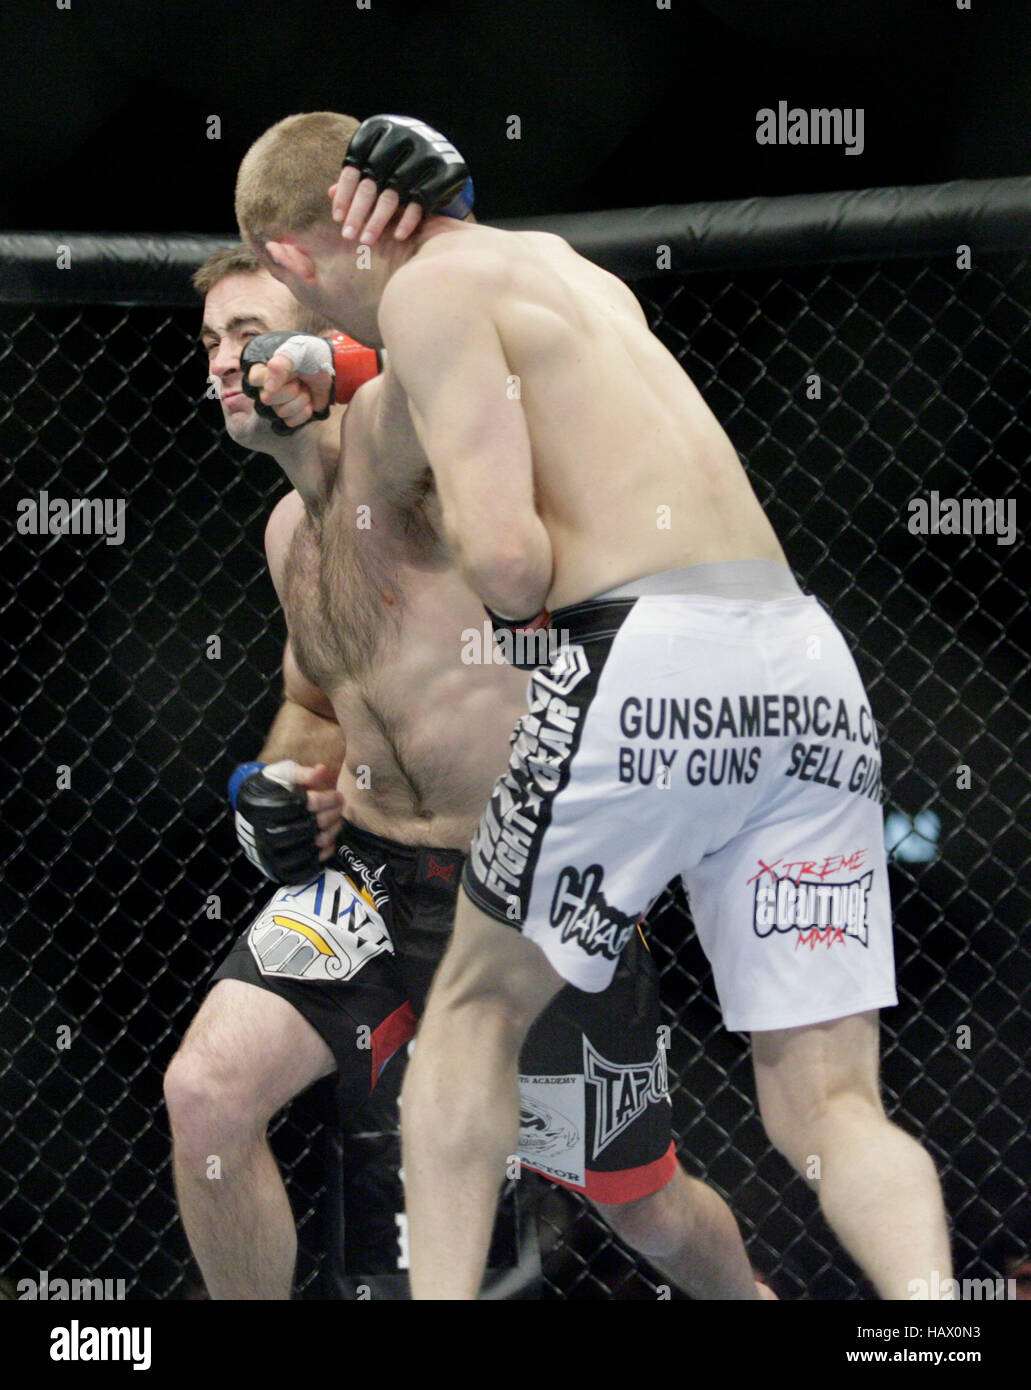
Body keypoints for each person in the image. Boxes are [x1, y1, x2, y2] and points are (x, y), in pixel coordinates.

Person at [234, 110, 954, 1300]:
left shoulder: (422, 299)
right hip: (802, 660)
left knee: (465, 1013)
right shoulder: (567, 268)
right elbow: (452, 361)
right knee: (829, 1102)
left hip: (650, 651)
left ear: (291, 259)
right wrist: (346, 370)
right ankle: (932, 1319)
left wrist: (482, 540)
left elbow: (510, 564)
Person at [163, 231, 769, 1300]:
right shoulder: (284, 534)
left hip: (519, 887)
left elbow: (528, 385)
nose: (220, 359)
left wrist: (370, 357)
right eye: (209, 339)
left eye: (248, 333)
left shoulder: (433, 472)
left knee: (642, 1203)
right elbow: (313, 703)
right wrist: (276, 787)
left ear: (330, 341)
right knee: (207, 1091)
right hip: (370, 886)